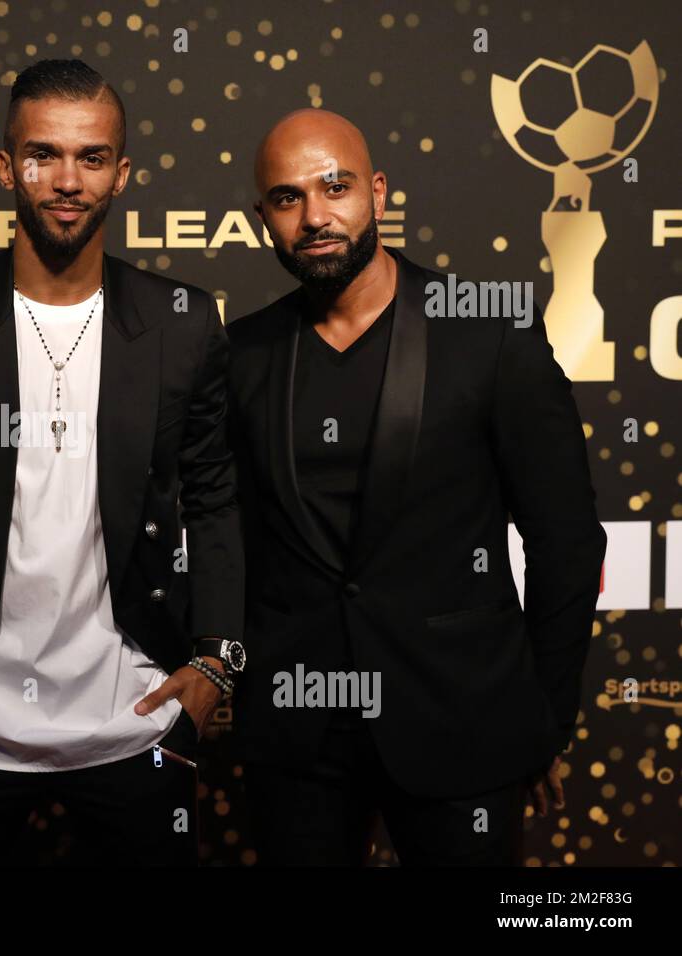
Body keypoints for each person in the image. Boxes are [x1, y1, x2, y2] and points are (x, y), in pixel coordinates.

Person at [0, 59, 246, 865]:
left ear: (121, 173)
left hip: (133, 710)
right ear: (6, 167)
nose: (67, 180)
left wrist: (216, 659)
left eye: (92, 157)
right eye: (43, 155)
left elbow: (214, 501)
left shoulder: (181, 323)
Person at [226, 108, 606, 865]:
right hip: (298, 736)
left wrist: (542, 723)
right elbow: (223, 537)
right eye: (288, 197)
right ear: (261, 218)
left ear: (378, 191)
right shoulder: (242, 352)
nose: (315, 216)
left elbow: (567, 543)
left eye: (335, 187)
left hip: (463, 724)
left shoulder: (489, 333)